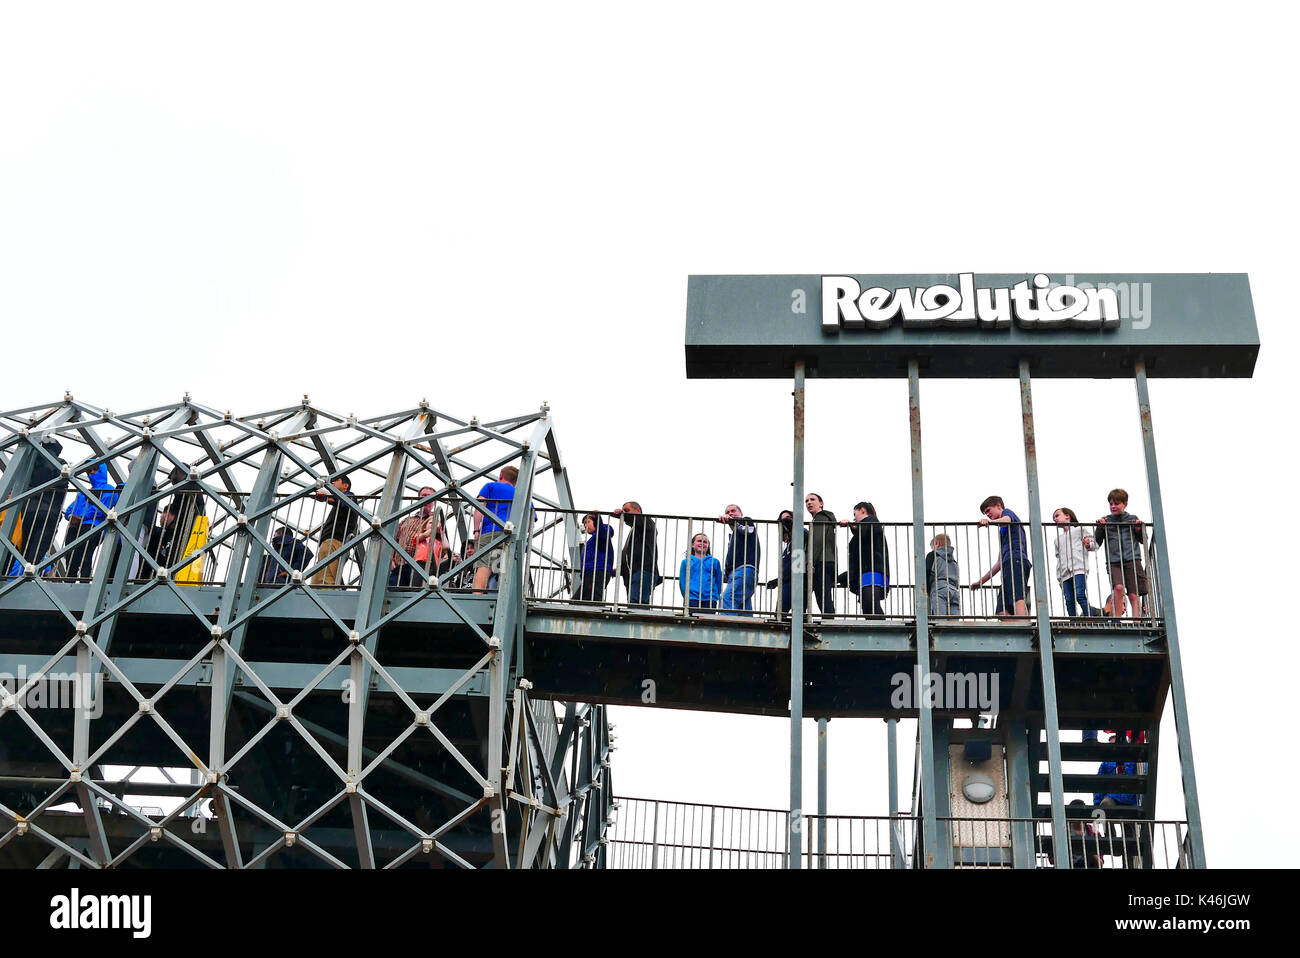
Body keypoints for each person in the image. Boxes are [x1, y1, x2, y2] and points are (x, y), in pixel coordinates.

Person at [8, 436, 69, 577]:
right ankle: (28, 574)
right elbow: (63, 487)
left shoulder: (32, 461)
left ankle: (15, 574)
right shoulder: (61, 463)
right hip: (49, 511)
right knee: (38, 549)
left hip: (27, 509)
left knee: (23, 545)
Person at [970, 496, 1030, 618]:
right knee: (1001, 611)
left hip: (1017, 560)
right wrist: (981, 582)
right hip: (1008, 564)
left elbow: (1006, 520)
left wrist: (989, 523)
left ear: (998, 505)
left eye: (988, 510)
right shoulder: (1003, 533)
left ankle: (1024, 625)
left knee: (1017, 597)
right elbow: (999, 563)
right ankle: (1017, 628)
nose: (987, 514)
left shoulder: (1007, 512)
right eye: (985, 513)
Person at [1094, 489, 1148, 621]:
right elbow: (1097, 542)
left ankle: (1137, 621)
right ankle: (1117, 619)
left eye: (1116, 504)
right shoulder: (1106, 520)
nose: (1113, 506)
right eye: (1111, 504)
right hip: (1114, 560)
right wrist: (1100, 528)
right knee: (1118, 587)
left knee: (1133, 594)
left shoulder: (1132, 519)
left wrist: (1139, 529)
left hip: (1132, 558)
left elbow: (1143, 540)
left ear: (1125, 504)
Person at [60, 462, 120, 579]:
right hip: (75, 527)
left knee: (86, 556)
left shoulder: (109, 489)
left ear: (101, 471)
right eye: (89, 470)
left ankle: (84, 581)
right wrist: (70, 516)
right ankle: (69, 581)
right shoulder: (84, 492)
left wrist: (80, 517)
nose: (90, 472)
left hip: (93, 527)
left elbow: (101, 508)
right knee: (70, 557)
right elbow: (69, 509)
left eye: (94, 469)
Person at [473, 466, 521, 593]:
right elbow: (529, 521)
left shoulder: (491, 486)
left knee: (484, 566)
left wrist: (476, 530)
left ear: (501, 476)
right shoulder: (521, 494)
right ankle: (498, 599)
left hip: (490, 532)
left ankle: (477, 596)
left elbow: (479, 507)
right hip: (510, 535)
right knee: (500, 568)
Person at [841, 501, 890, 615]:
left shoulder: (871, 521)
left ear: (862, 510)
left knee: (870, 604)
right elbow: (864, 534)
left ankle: (882, 629)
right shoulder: (867, 527)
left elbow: (866, 530)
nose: (854, 518)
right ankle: (878, 629)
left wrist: (851, 525)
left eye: (855, 514)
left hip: (872, 570)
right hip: (868, 570)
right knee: (867, 606)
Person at [311, 474, 358, 587]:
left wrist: (329, 498)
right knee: (320, 577)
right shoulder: (342, 501)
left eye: (336, 480)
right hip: (332, 542)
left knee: (325, 578)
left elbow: (345, 503)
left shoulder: (349, 496)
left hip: (335, 542)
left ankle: (322, 600)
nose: (332, 483)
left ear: (345, 485)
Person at [1052, 506, 1098, 617]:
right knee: (1069, 600)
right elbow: (1058, 558)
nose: (1055, 519)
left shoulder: (1080, 530)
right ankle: (1074, 622)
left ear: (1067, 516)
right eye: (1053, 518)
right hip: (1064, 573)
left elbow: (1094, 544)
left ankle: (1091, 619)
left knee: (1080, 595)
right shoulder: (1057, 540)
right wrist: (1059, 576)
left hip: (1078, 569)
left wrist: (1088, 544)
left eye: (1057, 515)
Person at [613, 501, 661, 605]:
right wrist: (621, 569)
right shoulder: (635, 530)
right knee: (634, 603)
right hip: (633, 573)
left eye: (627, 510)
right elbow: (631, 554)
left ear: (638, 511)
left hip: (643, 571)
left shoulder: (647, 522)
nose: (624, 513)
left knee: (637, 603)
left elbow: (637, 520)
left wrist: (622, 515)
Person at [717, 504, 760, 615]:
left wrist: (732, 521)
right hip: (739, 573)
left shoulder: (747, 521)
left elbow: (747, 530)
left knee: (727, 600)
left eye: (733, 511)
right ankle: (748, 630)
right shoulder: (735, 535)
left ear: (740, 514)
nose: (730, 513)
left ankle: (725, 630)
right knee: (742, 607)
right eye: (728, 512)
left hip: (744, 571)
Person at [390, 486, 437, 587]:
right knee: (392, 596)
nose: (426, 498)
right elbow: (394, 540)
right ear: (418, 498)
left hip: (419, 568)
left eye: (430, 496)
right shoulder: (406, 520)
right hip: (399, 565)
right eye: (424, 495)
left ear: (434, 502)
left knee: (414, 597)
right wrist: (391, 559)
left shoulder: (435, 520)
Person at [804, 493, 837, 614]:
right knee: (823, 596)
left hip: (821, 561)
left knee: (823, 597)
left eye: (812, 499)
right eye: (806, 501)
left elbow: (817, 541)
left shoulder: (821, 518)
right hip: (826, 561)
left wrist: (810, 562)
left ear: (821, 504)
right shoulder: (823, 518)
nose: (809, 503)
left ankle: (830, 623)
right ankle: (829, 621)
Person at [575, 511, 615, 601]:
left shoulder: (603, 529)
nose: (585, 526)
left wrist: (598, 519)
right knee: (578, 600)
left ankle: (598, 612)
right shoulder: (591, 540)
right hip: (590, 573)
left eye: (588, 522)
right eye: (584, 523)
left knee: (593, 598)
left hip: (597, 572)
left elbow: (604, 534)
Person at [678, 532, 722, 611]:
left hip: (710, 599)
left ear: (708, 546)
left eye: (705, 542)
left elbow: (719, 581)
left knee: (707, 622)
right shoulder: (686, 562)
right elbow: (682, 581)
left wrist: (715, 595)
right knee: (692, 622)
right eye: (699, 541)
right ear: (692, 545)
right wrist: (687, 596)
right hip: (692, 598)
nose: (702, 543)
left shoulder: (715, 562)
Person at [765, 510, 796, 614]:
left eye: (788, 517)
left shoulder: (801, 537)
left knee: (782, 613)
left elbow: (793, 569)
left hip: (796, 582)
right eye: (783, 519)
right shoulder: (787, 546)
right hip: (787, 582)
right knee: (780, 613)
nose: (786, 520)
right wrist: (776, 581)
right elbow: (787, 569)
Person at [925, 532, 959, 616]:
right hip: (954, 591)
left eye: (932, 547)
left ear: (937, 544)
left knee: (940, 619)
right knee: (954, 623)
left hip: (939, 588)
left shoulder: (933, 555)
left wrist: (926, 589)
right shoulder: (954, 561)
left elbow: (927, 572)